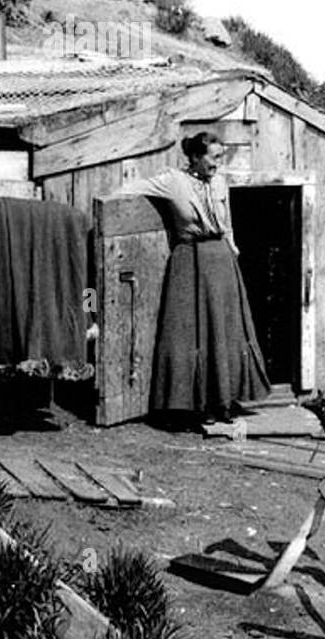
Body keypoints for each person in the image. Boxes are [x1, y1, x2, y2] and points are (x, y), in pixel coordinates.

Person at [114, 131, 271, 423]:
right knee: (190, 331)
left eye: (220, 158)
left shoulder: (221, 182)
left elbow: (228, 223)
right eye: (213, 158)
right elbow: (126, 191)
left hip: (222, 262)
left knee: (224, 331)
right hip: (189, 260)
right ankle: (199, 406)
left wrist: (233, 249)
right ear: (196, 157)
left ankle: (224, 402)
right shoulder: (173, 181)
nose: (217, 164)